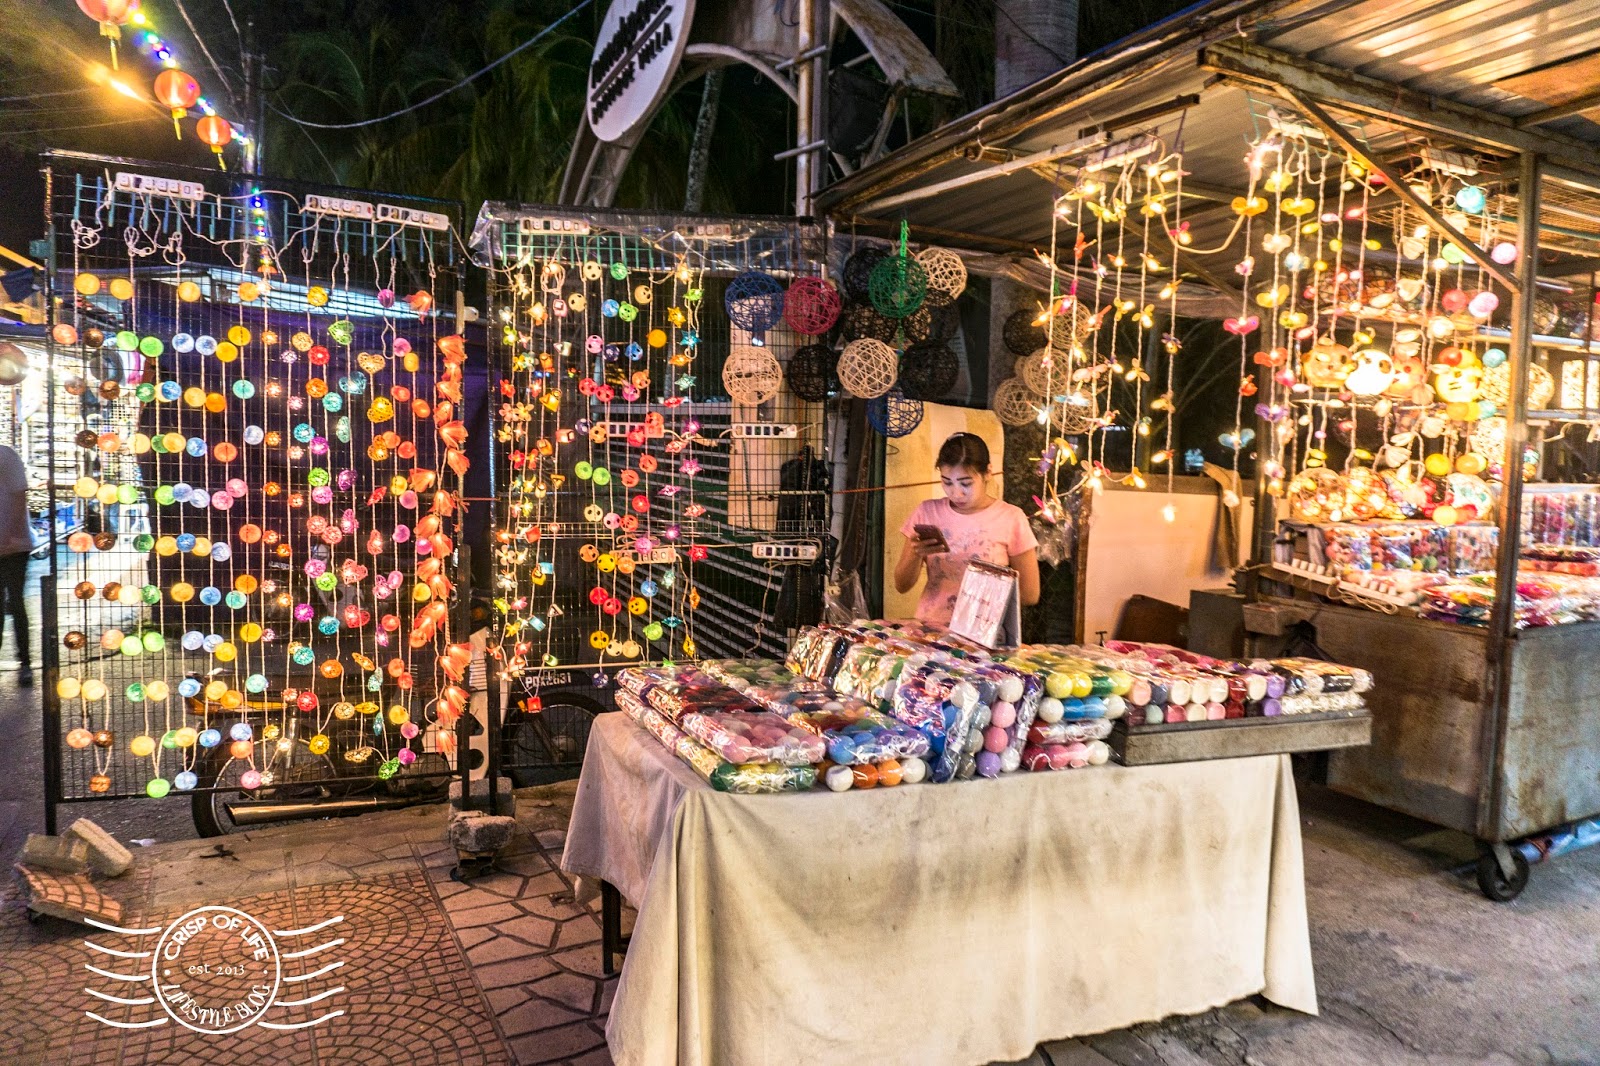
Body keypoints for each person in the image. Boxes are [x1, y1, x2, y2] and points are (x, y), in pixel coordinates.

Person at [893, 432, 1040, 627]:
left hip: (983, 632)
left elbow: (1030, 594)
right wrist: (914, 553)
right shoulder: (927, 512)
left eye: (966, 483)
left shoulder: (1011, 517)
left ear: (988, 472)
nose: (956, 493)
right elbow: (901, 586)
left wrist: (985, 591)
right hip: (931, 629)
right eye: (947, 482)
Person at [0, 445, 31, 685]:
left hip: (14, 545)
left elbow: (20, 497)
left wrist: (9, 535)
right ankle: (24, 664)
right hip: (12, 542)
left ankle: (25, 662)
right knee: (11, 603)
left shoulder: (6, 456)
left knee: (16, 602)